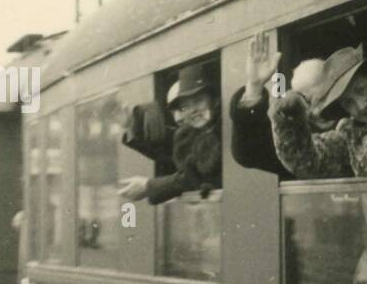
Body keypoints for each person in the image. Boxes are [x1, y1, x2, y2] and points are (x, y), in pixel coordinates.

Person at [268, 45, 367, 179]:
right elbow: (307, 163)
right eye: (348, 103)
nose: (361, 105)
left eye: (362, 89)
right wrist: (289, 112)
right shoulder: (351, 137)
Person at [230, 31, 339, 178]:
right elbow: (248, 154)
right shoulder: (293, 135)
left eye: (323, 97)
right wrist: (254, 86)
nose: (315, 107)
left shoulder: (352, 123)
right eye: (305, 99)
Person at [118, 62, 221, 205]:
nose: (192, 111)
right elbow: (166, 146)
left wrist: (148, 186)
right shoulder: (191, 134)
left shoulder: (223, 132)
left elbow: (196, 177)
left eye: (198, 101)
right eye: (186, 106)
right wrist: (132, 124)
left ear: (215, 101)